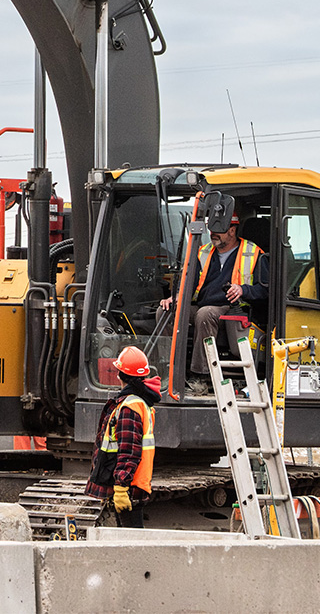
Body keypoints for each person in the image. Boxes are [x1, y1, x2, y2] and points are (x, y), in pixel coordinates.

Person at [158, 212, 267, 394]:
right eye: (211, 229)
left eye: (219, 229)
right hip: (203, 305)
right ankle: (169, 369)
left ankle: (200, 376)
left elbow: (265, 290)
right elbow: (189, 283)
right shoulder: (203, 252)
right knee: (166, 311)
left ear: (232, 230)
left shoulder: (253, 253)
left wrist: (243, 290)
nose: (213, 233)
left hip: (233, 309)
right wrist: (176, 298)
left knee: (205, 313)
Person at [85, 346, 157, 528]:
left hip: (129, 485)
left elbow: (129, 450)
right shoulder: (140, 403)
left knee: (131, 537)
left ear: (119, 375)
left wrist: (121, 486)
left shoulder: (129, 407)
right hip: (134, 481)